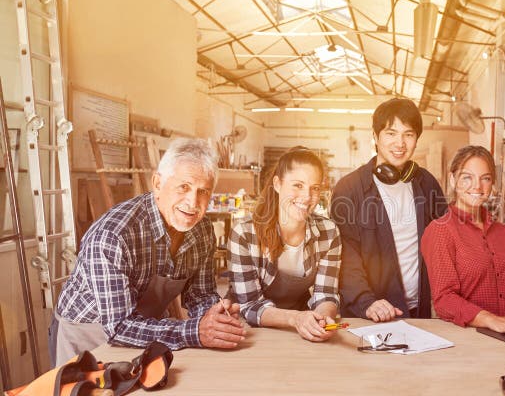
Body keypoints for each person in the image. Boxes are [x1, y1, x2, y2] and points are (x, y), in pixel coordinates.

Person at [53, 138, 245, 367]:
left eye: (203, 191)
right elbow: (119, 328)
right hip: (87, 334)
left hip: (146, 328)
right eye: (183, 187)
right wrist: (195, 331)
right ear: (157, 184)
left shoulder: (201, 230)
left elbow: (201, 295)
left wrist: (215, 316)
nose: (193, 202)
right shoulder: (114, 235)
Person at [331, 98, 447, 322]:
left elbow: (445, 242)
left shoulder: (426, 183)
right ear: (375, 136)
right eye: (391, 133)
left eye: (408, 134)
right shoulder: (349, 190)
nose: (400, 143)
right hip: (367, 315)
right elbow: (345, 258)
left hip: (417, 313)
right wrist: (367, 302)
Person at [421, 146, 505, 338]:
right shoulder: (440, 230)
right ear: (453, 180)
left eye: (485, 178)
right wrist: (492, 320)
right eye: (467, 177)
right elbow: (445, 300)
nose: (477, 187)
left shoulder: (502, 232)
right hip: (470, 340)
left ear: (492, 184)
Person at [228, 147, 341, 342]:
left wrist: (323, 319)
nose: (307, 197)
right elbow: (250, 305)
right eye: (297, 185)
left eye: (314, 188)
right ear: (277, 184)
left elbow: (326, 294)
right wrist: (295, 319)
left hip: (299, 331)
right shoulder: (245, 234)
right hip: (249, 331)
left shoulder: (328, 232)